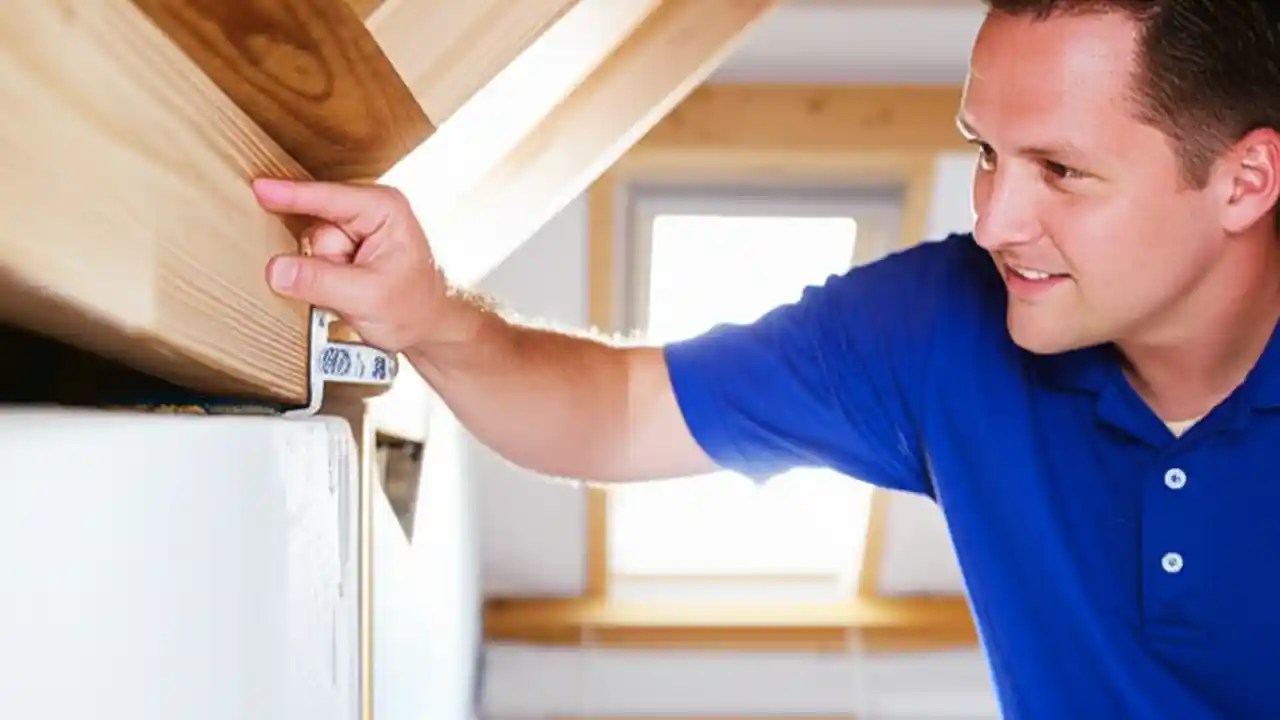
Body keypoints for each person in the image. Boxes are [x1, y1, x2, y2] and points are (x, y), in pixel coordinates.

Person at [251, 1, 1280, 717]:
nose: (995, 218)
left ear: (1242, 182)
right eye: (982, 152)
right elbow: (612, 413)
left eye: (1060, 170)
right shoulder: (935, 323)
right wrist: (427, 316)